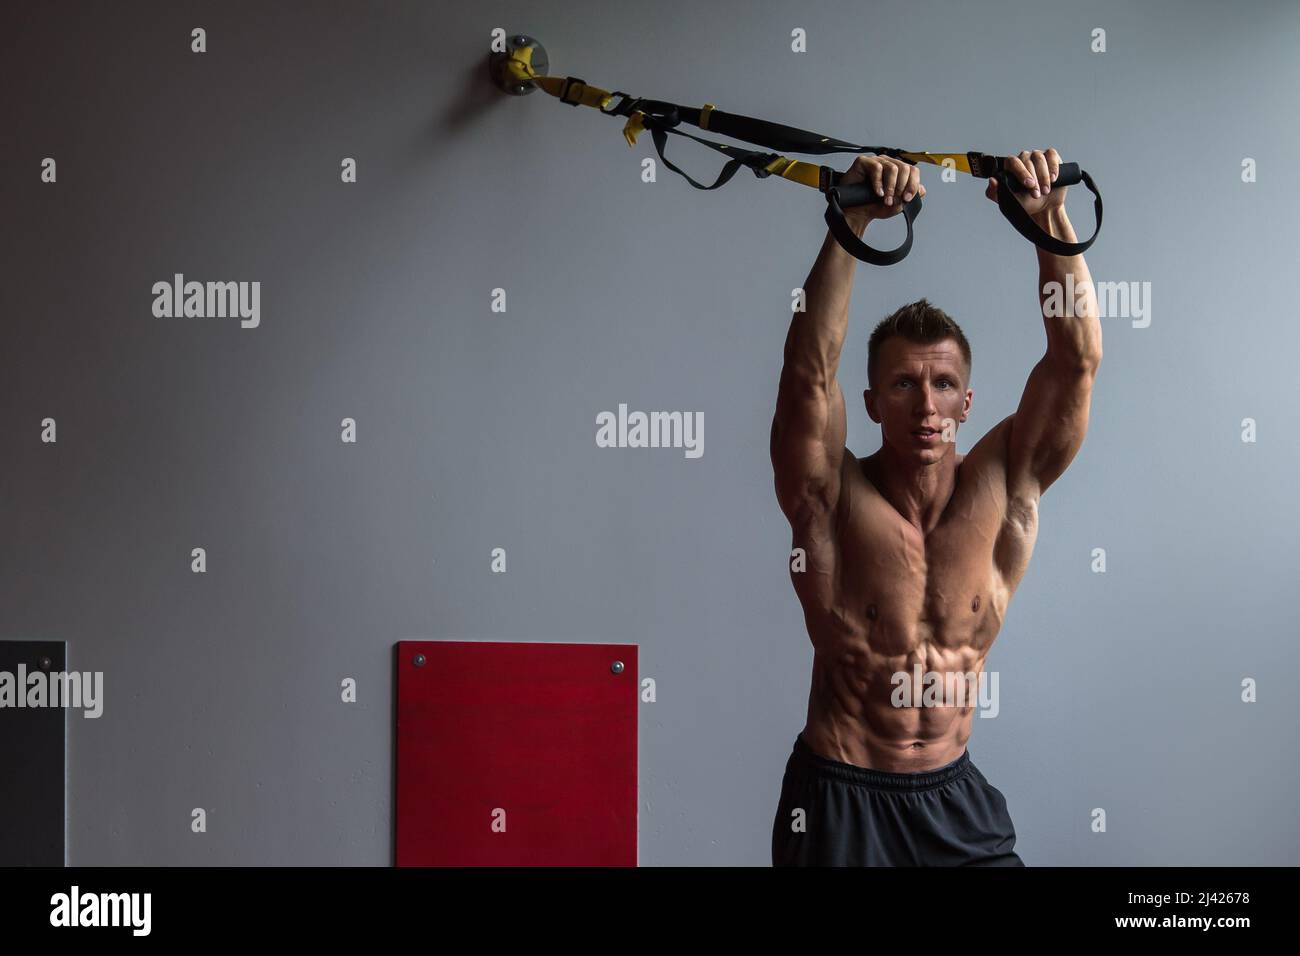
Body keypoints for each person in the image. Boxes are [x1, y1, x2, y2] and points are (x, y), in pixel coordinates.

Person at [769, 149, 1101, 866]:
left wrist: (1049, 223)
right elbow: (807, 375)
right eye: (902, 385)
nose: (926, 405)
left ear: (968, 401)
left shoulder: (1009, 483)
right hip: (839, 795)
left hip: (952, 799)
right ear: (869, 403)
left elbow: (1076, 361)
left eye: (944, 384)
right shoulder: (829, 497)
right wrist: (851, 220)